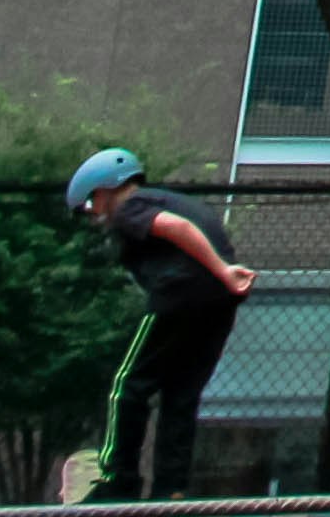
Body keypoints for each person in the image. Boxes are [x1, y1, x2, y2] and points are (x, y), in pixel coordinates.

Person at [66, 148, 253, 502]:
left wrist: (222, 270)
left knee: (129, 384)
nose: (93, 218)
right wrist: (223, 274)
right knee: (180, 393)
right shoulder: (173, 199)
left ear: (103, 190)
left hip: (180, 292)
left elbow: (176, 228)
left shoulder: (128, 208)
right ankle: (172, 490)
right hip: (217, 304)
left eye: (89, 207)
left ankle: (118, 479)